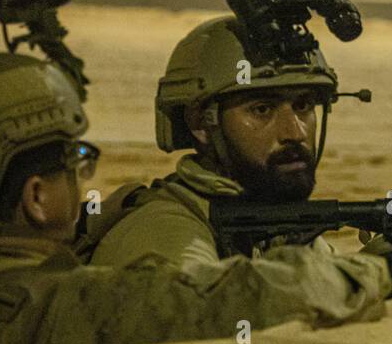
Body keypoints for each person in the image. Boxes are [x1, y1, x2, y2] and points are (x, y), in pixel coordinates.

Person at [0, 51, 389, 344]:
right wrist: (376, 269)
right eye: (76, 166)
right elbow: (260, 296)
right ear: (38, 198)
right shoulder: (54, 309)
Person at [84, 14, 356, 269]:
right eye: (262, 109)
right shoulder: (165, 236)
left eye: (303, 105)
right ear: (201, 123)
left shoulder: (270, 219)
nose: (294, 133)